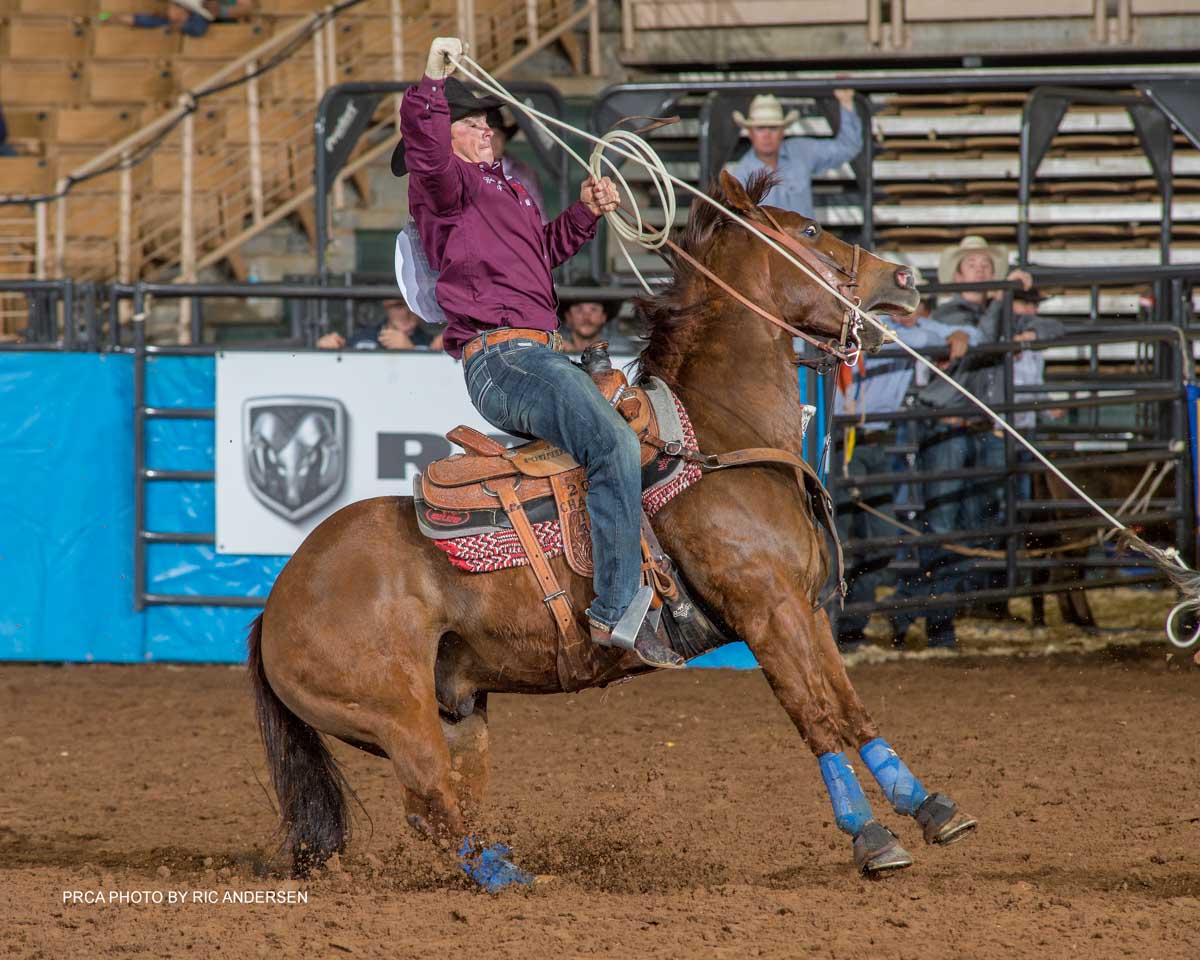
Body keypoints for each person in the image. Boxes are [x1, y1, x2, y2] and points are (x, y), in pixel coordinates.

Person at [396, 37, 683, 669]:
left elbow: (541, 255)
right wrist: (430, 84)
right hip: (503, 358)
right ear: (443, 140)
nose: (483, 130)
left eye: (484, 123)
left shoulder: (513, 190)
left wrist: (582, 215)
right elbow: (425, 144)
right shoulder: (443, 189)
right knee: (610, 444)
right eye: (467, 125)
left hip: (534, 353)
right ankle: (615, 610)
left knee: (630, 434)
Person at [833, 278, 983, 653]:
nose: (906, 311)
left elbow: (969, 333)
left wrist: (961, 334)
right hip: (837, 441)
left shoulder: (907, 333)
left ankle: (852, 628)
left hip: (876, 442)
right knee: (839, 539)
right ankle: (834, 627)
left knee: (878, 539)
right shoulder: (858, 326)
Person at [728, 89, 862, 218]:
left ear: (782, 131)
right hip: (769, 241)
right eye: (760, 128)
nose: (767, 135)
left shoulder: (800, 150)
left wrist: (846, 103)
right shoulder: (741, 175)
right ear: (750, 133)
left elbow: (847, 147)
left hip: (806, 240)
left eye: (773, 127)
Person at [316, 297, 442, 351]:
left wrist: (410, 351)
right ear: (386, 306)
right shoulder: (362, 339)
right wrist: (329, 348)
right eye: (398, 305)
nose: (405, 312)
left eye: (412, 306)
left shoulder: (434, 344)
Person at [487, 109, 546, 222]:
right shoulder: (468, 173)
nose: (492, 142)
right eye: (488, 136)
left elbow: (540, 220)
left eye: (497, 135)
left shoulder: (526, 175)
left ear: (504, 138)